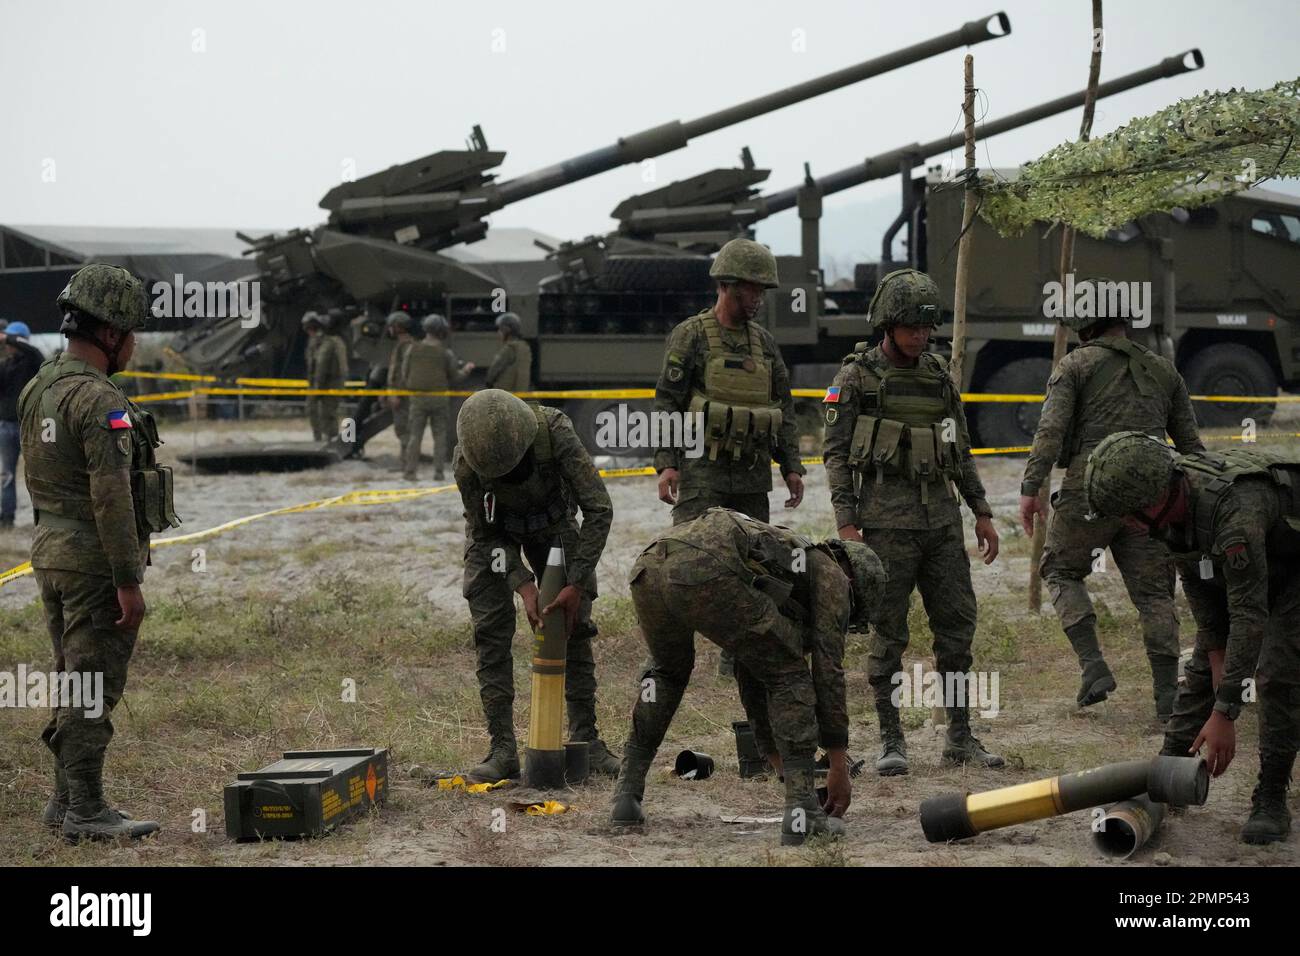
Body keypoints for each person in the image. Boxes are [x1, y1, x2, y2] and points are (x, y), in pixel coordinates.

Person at [19, 263, 180, 842]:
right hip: (91, 563)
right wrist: (126, 580)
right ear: (110, 333)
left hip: (50, 553)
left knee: (71, 679)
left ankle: (65, 801)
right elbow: (110, 494)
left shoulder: (40, 386)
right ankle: (86, 810)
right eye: (132, 332)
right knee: (92, 688)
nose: (135, 343)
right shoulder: (97, 399)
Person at [610, 508, 885, 845]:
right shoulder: (833, 574)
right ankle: (803, 816)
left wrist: (777, 760)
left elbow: (751, 665)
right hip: (707, 565)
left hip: (649, 566)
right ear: (854, 581)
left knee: (666, 674)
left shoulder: (789, 561)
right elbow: (827, 674)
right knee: (791, 674)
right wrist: (839, 767)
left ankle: (625, 798)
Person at [822, 268, 1002, 776]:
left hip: (942, 525)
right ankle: (891, 740)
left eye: (927, 328)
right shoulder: (855, 379)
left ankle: (960, 737)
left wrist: (981, 512)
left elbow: (960, 450)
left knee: (957, 629)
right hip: (884, 528)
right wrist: (847, 525)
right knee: (887, 633)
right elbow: (835, 456)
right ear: (887, 324)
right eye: (911, 327)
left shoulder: (939, 376)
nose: (921, 336)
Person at [1085, 432, 1300, 844]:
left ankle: (1271, 795)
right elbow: (1201, 586)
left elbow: (1249, 615)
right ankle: (1169, 771)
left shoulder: (1233, 513)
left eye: (1129, 515)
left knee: (1276, 673)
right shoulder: (1171, 510)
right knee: (1204, 667)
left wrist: (1226, 712)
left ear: (1154, 498)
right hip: (1259, 570)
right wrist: (1218, 661)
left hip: (1292, 573)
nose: (1127, 525)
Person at [1019, 304, 1203, 718]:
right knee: (1155, 594)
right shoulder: (1164, 369)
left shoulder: (1075, 365)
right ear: (1125, 324)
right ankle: (1166, 698)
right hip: (1155, 490)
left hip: (1090, 488)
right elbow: (1191, 445)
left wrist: (1031, 488)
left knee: (1061, 570)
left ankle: (1094, 667)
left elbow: (1050, 432)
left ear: (1085, 328)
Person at [653, 238, 806, 677]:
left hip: (752, 476)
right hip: (703, 472)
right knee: (687, 560)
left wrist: (791, 465)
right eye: (751, 290)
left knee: (754, 565)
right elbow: (668, 402)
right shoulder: (691, 336)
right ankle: (669, 656)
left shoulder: (765, 344)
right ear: (727, 285)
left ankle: (736, 655)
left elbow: (784, 407)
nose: (758, 299)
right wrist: (667, 462)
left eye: (763, 291)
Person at [453, 388, 619, 781]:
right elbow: (484, 534)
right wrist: (523, 584)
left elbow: (599, 509)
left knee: (571, 627)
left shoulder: (555, 432)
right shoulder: (468, 465)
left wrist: (576, 584)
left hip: (555, 526)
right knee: (491, 631)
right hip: (495, 538)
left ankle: (587, 742)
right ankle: (502, 749)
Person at [402, 313, 474, 481]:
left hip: (417, 398)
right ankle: (438, 473)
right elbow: (455, 377)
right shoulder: (445, 353)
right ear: (442, 331)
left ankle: (410, 472)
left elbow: (405, 374)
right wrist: (467, 370)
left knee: (415, 435)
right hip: (439, 399)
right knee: (439, 435)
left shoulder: (412, 349)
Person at [1, 321, 44, 528]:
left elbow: (33, 351)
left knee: (37, 473)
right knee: (8, 475)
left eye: (9, 339)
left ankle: (43, 518)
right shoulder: (6, 365)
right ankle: (7, 519)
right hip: (7, 426)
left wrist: (7, 337)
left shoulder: (33, 361)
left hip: (29, 426)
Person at [303, 311, 349, 441]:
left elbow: (322, 364)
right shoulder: (317, 341)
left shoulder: (330, 342)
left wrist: (318, 385)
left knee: (328, 413)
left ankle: (330, 439)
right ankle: (320, 438)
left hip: (329, 382)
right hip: (319, 382)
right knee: (315, 411)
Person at [383, 311, 415, 460]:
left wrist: (397, 393)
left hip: (402, 395)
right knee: (402, 427)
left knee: (404, 427)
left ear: (398, 327)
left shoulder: (406, 346)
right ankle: (405, 459)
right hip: (399, 392)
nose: (389, 329)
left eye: (392, 326)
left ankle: (407, 461)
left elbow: (404, 372)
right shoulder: (403, 344)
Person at [483, 312, 531, 393]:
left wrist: (488, 383)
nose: (499, 332)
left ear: (506, 330)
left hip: (505, 395)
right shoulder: (524, 347)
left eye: (500, 329)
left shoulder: (509, 348)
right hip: (520, 396)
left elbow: (493, 372)